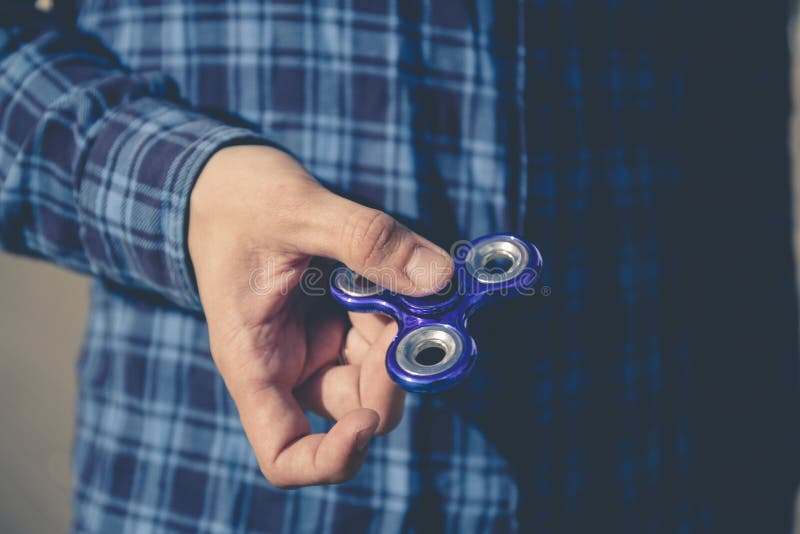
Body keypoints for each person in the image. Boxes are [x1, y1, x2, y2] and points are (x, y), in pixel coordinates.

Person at [1, 1, 798, 532]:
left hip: (647, 476)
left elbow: (740, 143)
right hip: (219, 481)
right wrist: (190, 188)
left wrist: (764, 472)